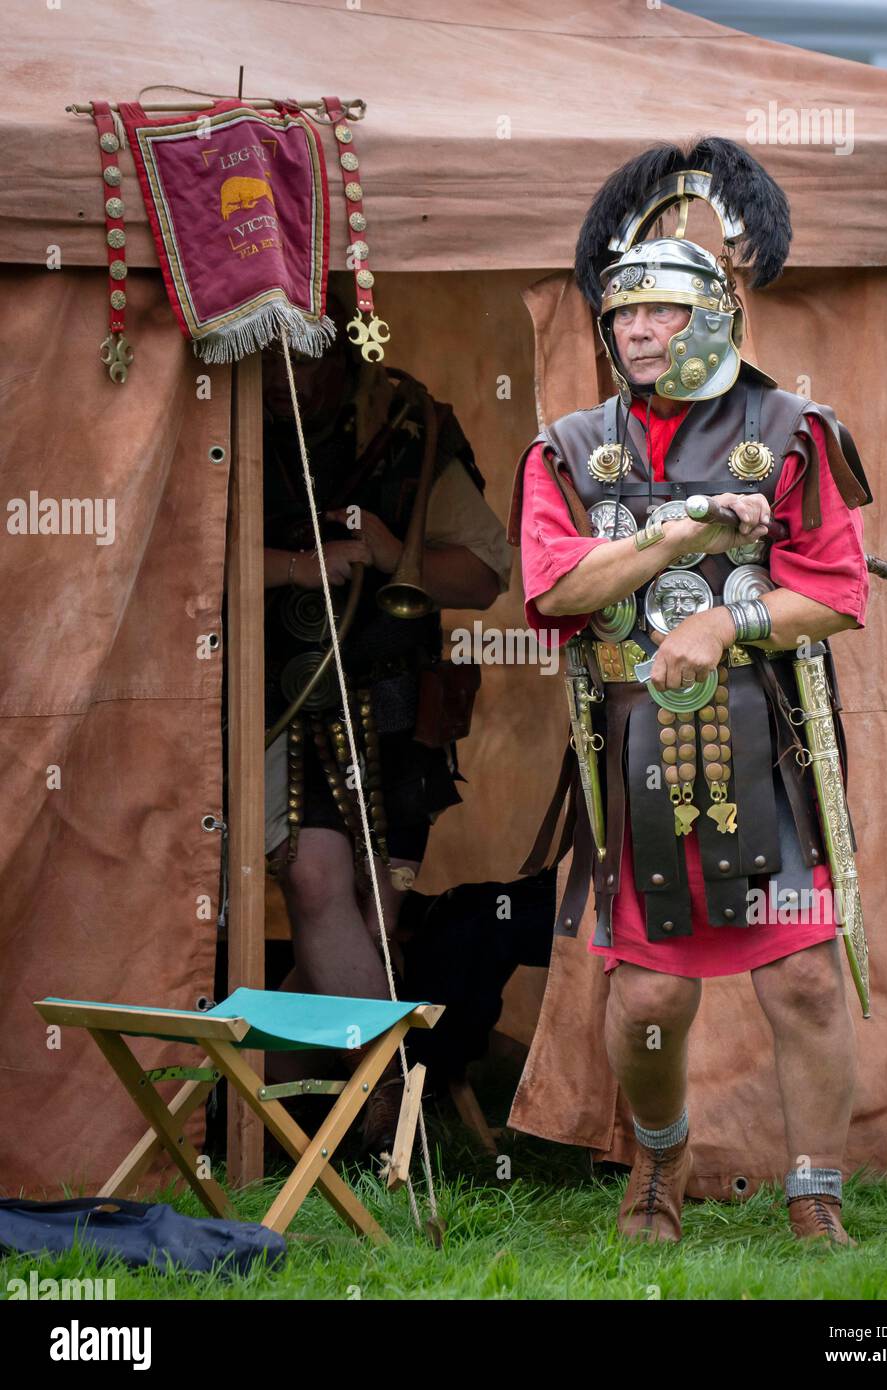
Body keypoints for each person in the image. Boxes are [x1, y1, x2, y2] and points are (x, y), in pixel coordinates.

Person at [510, 140, 873, 1245]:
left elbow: (837, 590)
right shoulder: (568, 452)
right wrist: (682, 535)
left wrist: (724, 616)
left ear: (711, 316)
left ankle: (814, 1192)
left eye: (658, 315)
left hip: (768, 743)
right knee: (649, 999)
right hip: (633, 750)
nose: (635, 333)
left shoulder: (791, 432)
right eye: (619, 318)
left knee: (803, 979)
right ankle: (658, 1167)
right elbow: (556, 587)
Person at [261, 291, 512, 1149]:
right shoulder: (210, 413)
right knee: (318, 886)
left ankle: (250, 1110)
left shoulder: (408, 425)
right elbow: (185, 556)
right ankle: (386, 1109)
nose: (284, 382)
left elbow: (481, 575)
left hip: (397, 716)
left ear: (341, 354)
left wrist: (386, 553)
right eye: (270, 360)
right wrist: (298, 566)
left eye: (304, 360)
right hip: (274, 707)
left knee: (370, 923)